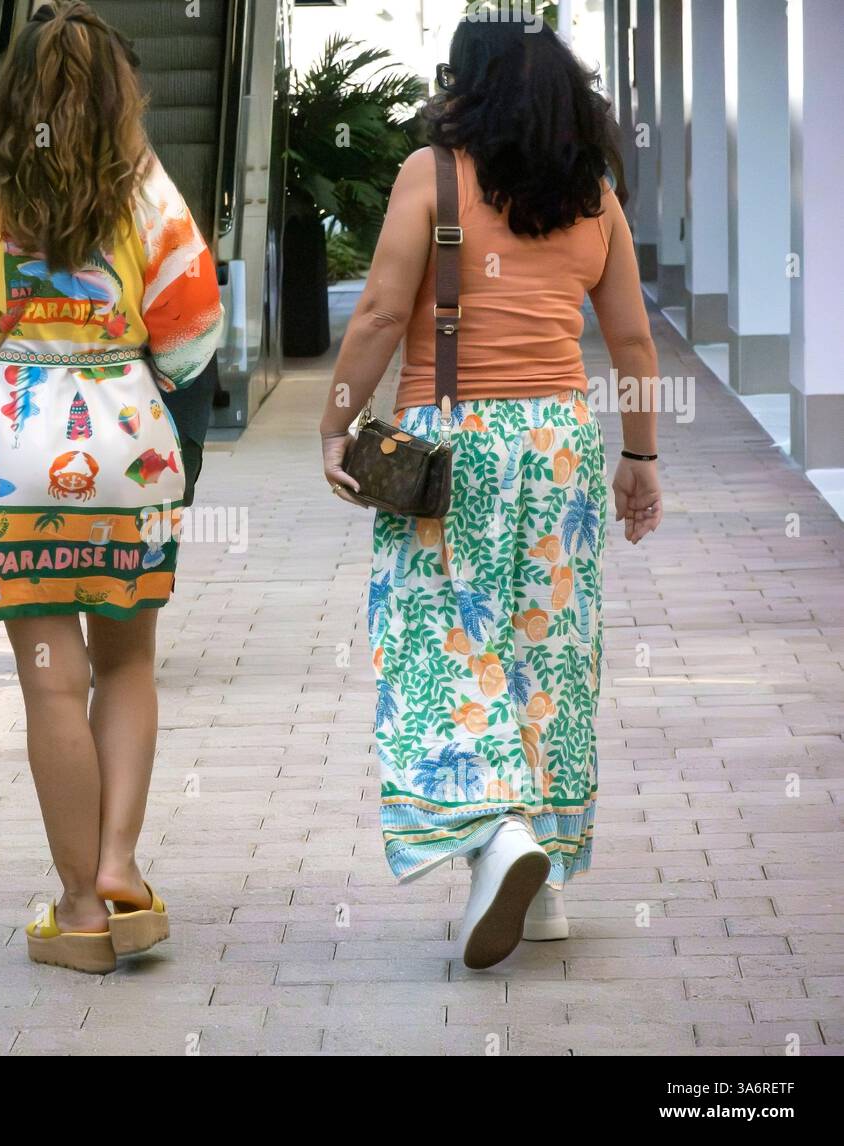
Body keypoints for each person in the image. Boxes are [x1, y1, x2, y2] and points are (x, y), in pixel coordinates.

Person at [0, 0, 223, 974]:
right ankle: (119, 865)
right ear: (117, 98)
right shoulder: (145, 191)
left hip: (14, 447)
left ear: (12, 94)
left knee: (50, 682)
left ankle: (78, 913)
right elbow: (191, 341)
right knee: (128, 666)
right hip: (127, 444)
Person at [319, 19, 663, 970]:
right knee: (547, 648)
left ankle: (498, 834)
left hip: (452, 444)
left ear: (466, 88)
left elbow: (381, 313)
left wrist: (334, 422)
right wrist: (641, 456)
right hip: (560, 447)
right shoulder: (593, 193)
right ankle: (542, 886)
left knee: (443, 641)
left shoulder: (432, 176)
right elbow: (633, 343)